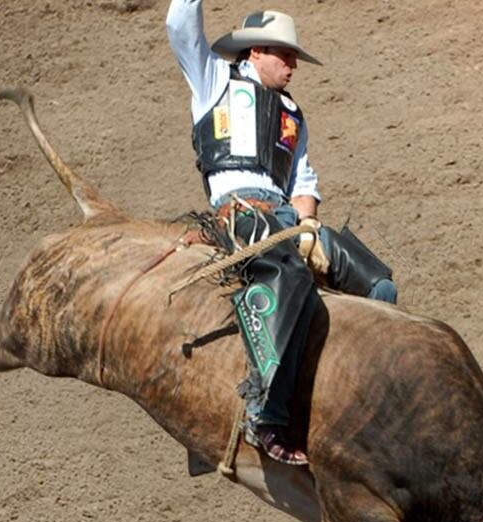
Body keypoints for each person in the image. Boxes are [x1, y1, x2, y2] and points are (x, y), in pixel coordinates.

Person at [167, 1, 397, 465]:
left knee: (378, 283)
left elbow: (303, 182)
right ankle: (264, 412)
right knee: (286, 279)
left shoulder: (294, 114)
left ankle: (351, 399)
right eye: (284, 55)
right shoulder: (213, 80)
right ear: (254, 52)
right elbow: (179, 25)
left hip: (288, 220)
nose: (292, 66)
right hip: (240, 214)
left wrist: (307, 226)